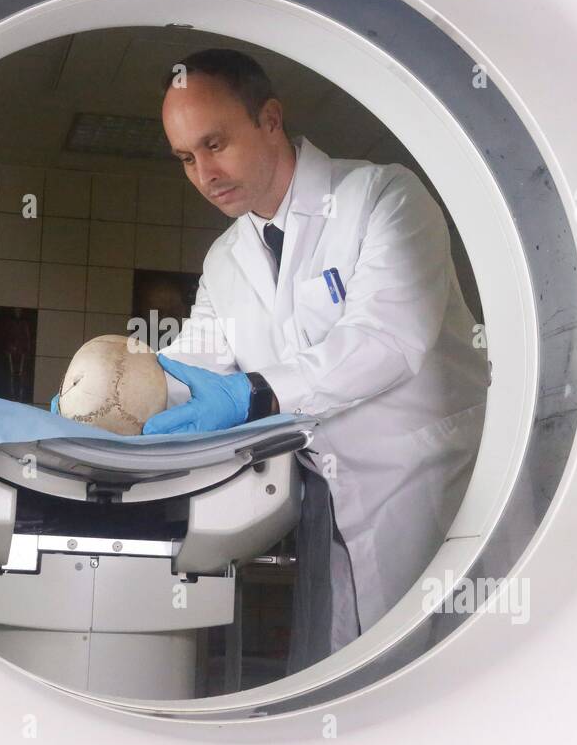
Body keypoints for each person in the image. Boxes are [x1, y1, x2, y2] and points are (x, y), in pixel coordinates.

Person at [143, 48, 490, 671]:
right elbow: (198, 366)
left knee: (446, 682)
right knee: (350, 684)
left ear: (270, 119)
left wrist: (255, 395)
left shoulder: (383, 196)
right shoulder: (226, 258)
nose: (204, 173)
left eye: (215, 143)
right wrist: (119, 391)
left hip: (428, 487)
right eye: (187, 159)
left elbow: (387, 340)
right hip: (326, 501)